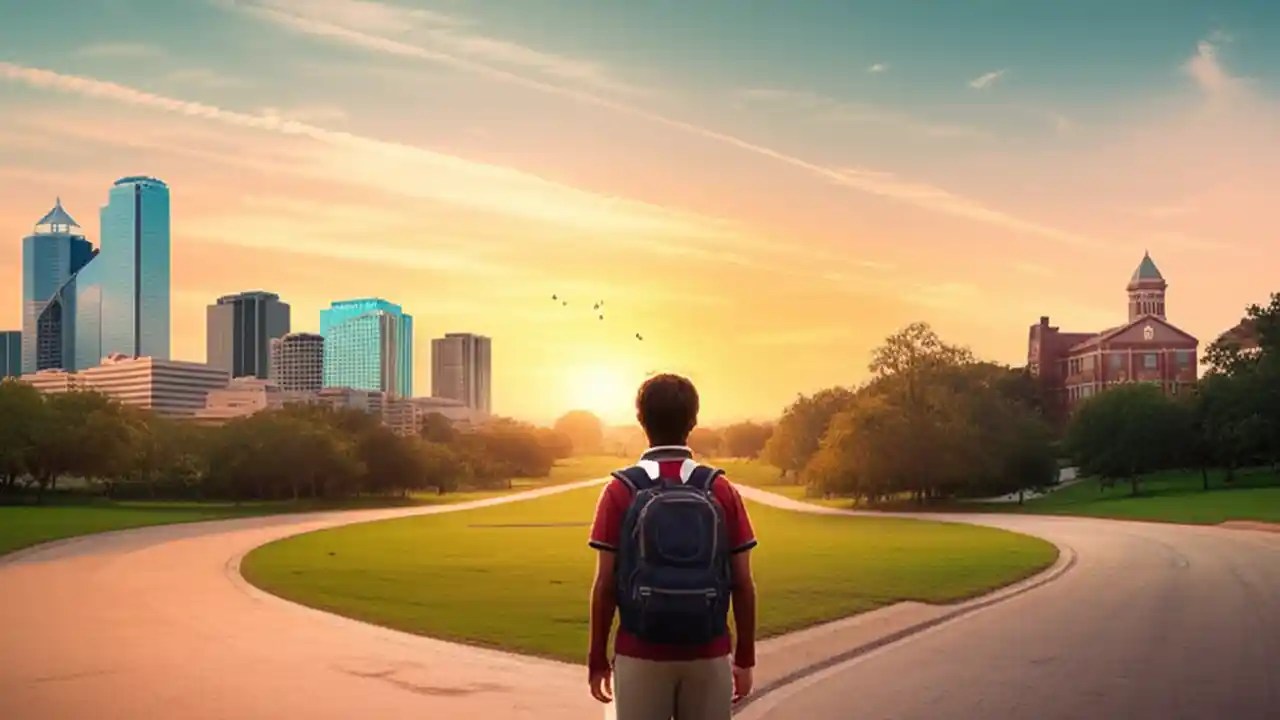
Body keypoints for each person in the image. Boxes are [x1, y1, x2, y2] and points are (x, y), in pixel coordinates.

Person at [587, 374, 758, 719]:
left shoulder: (621, 490)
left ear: (641, 419)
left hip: (640, 652)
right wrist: (744, 659)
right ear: (693, 420)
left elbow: (605, 585)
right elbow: (743, 583)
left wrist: (597, 660)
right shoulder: (720, 489)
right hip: (708, 653)